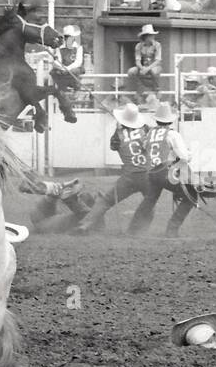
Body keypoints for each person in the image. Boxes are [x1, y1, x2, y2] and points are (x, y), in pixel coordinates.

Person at [78, 103, 155, 234]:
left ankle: (85, 225)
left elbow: (114, 147)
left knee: (106, 200)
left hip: (129, 177)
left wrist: (118, 128)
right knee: (149, 203)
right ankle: (136, 230)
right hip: (148, 176)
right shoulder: (146, 129)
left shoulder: (117, 136)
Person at [145, 102, 197, 237]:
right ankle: (171, 230)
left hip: (151, 173)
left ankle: (135, 229)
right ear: (170, 121)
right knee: (192, 195)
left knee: (150, 200)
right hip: (165, 172)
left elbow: (146, 149)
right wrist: (189, 153)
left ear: (157, 120)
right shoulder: (172, 134)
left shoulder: (150, 133)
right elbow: (184, 157)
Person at [126, 24, 162, 99]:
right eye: (150, 35)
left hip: (154, 66)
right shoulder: (139, 46)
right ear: (145, 36)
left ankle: (157, 89)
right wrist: (142, 68)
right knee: (131, 71)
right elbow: (137, 60)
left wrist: (147, 68)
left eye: (152, 35)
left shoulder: (157, 45)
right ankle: (139, 88)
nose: (153, 37)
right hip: (143, 66)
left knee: (153, 71)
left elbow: (158, 60)